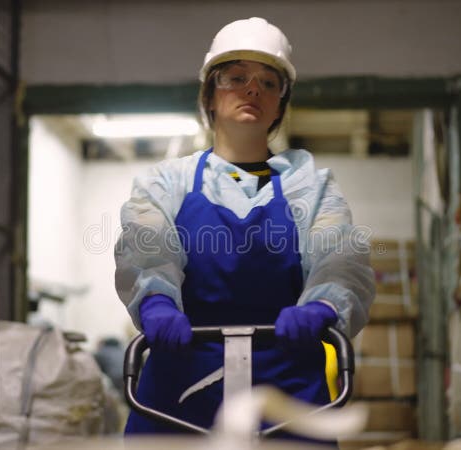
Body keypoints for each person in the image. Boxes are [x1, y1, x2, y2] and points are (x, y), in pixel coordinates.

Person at [114, 17, 375, 441]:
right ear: (210, 96)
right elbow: (146, 244)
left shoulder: (308, 182)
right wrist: (156, 301)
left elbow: (339, 254)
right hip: (180, 389)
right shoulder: (166, 182)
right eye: (237, 77)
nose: (253, 89)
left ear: (279, 104)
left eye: (269, 83)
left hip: (286, 391)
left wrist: (323, 307)